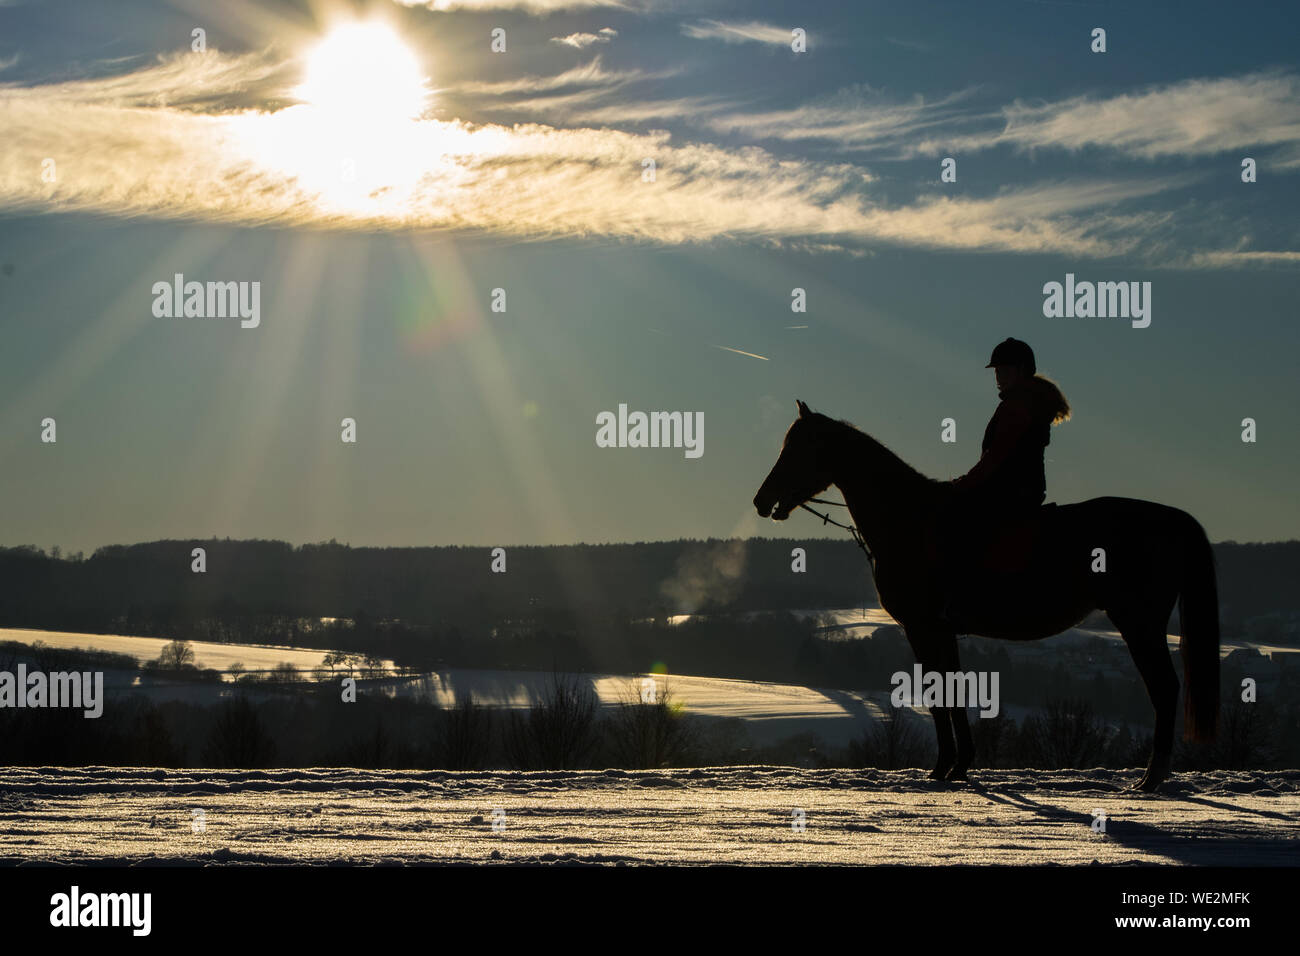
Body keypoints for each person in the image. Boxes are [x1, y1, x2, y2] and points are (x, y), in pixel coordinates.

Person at [939, 338, 1070, 615]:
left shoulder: (1020, 404)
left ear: (1022, 370)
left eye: (1004, 370)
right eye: (996, 371)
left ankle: (961, 602)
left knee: (957, 525)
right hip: (1019, 487)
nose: (998, 377)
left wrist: (962, 486)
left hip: (1011, 490)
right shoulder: (1024, 400)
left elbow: (997, 457)